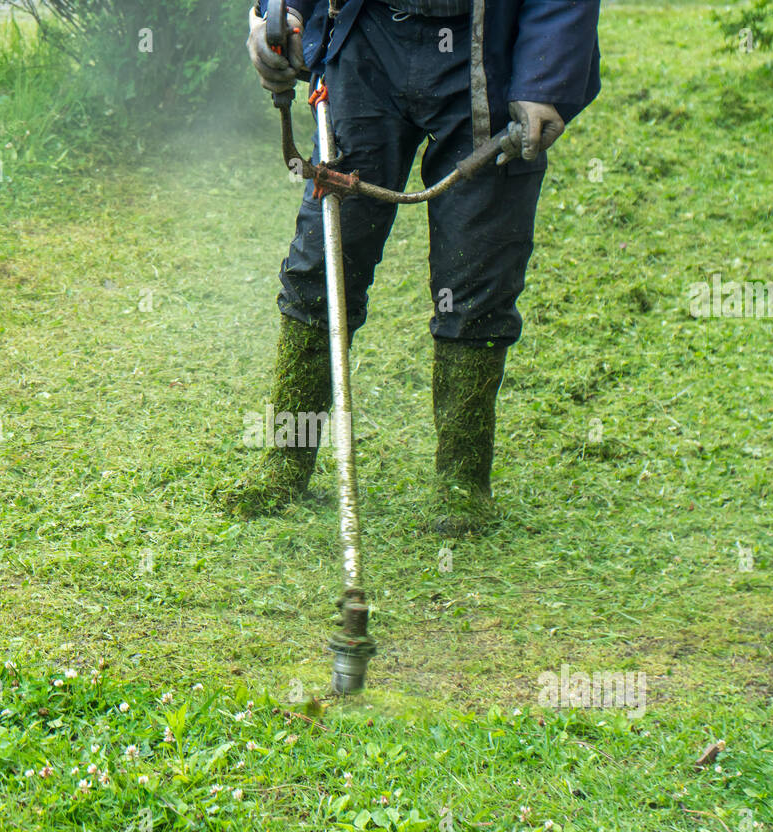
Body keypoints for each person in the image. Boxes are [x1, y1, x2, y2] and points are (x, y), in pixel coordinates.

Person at [224, 0, 601, 534]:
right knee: (325, 257)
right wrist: (279, 11)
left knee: (478, 273)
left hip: (486, 46)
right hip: (364, 37)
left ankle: (462, 486)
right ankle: (285, 462)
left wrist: (548, 75)